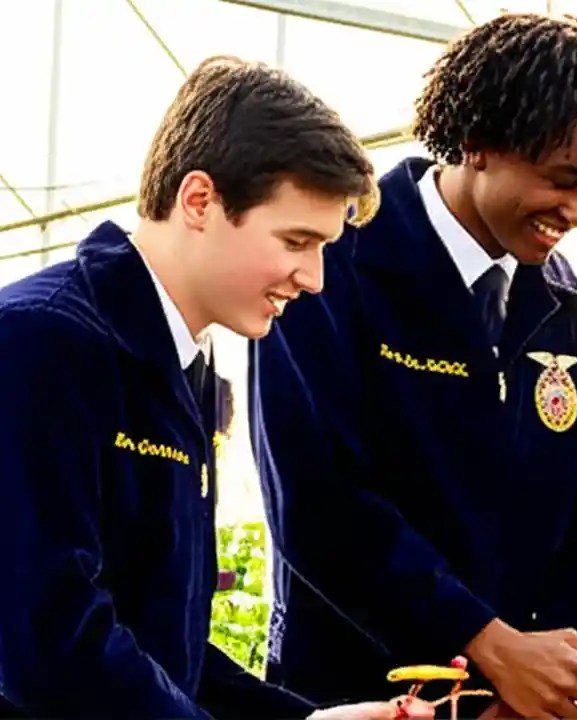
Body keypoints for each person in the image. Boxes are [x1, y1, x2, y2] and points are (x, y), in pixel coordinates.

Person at [0, 55, 433, 720]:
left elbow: (168, 645)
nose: (315, 278)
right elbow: (48, 643)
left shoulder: (189, 370)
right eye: (296, 240)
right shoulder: (41, 343)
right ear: (199, 201)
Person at [247, 12, 577, 719]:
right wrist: (485, 644)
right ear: (479, 142)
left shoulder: (564, 305)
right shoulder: (335, 266)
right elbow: (318, 502)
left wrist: (542, 681)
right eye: (563, 178)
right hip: (353, 697)